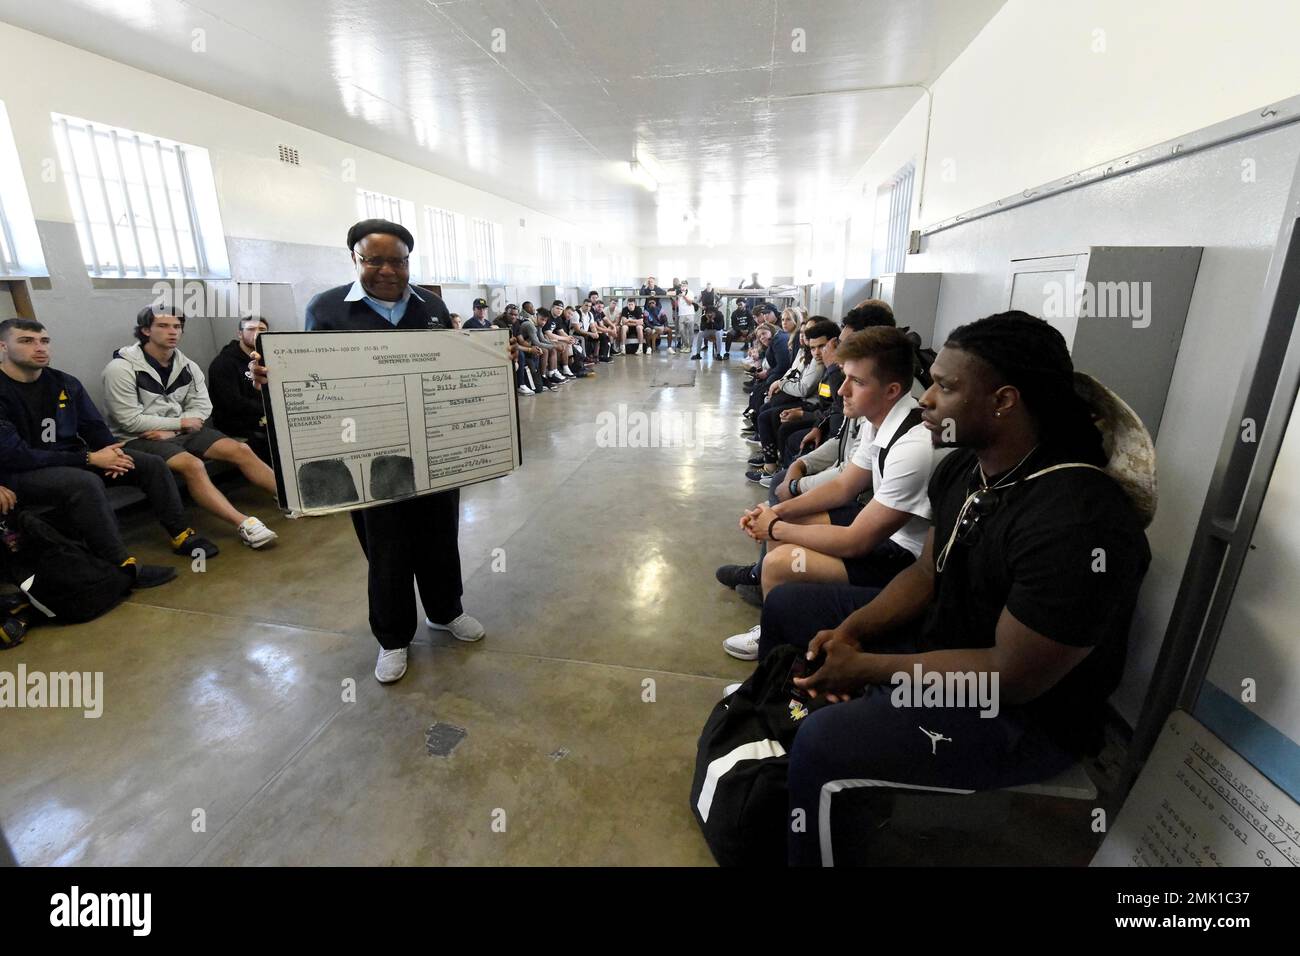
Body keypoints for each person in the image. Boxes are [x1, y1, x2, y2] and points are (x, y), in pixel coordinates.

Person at [766, 312, 1153, 865]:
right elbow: (927, 573)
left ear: (1004, 401)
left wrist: (868, 668)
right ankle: (792, 739)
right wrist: (851, 635)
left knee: (825, 745)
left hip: (1018, 717)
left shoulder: (1078, 521)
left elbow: (1011, 677)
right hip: (941, 643)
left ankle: (816, 779)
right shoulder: (966, 471)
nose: (927, 399)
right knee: (788, 606)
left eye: (946, 387)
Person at [254, 218, 485, 684]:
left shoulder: (431, 307)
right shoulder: (327, 309)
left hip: (431, 444)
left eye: (397, 260)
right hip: (364, 449)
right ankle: (394, 638)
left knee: (440, 534)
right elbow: (307, 376)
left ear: (408, 262)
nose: (387, 270)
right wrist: (272, 379)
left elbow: (451, 366)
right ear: (354, 259)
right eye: (373, 260)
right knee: (387, 546)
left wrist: (491, 366)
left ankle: (445, 611)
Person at [0, 318, 207, 588]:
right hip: (21, 472)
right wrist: (89, 458)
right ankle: (121, 565)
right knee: (85, 483)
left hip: (71, 458)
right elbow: (17, 455)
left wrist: (113, 453)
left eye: (44, 341)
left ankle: (181, 534)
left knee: (149, 464)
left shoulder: (64, 383)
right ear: (3, 346)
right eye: (26, 341)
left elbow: (94, 427)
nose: (39, 348)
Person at [103, 307, 279, 549]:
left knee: (240, 450)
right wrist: (180, 423)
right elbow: (129, 420)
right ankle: (245, 524)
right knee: (192, 465)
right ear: (145, 331)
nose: (172, 332)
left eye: (177, 326)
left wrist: (176, 428)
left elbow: (202, 406)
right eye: (163, 326)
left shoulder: (186, 365)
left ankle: (292, 498)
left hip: (181, 431)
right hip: (139, 438)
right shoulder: (120, 369)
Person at [207, 315, 272, 464]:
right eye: (251, 329)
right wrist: (269, 409)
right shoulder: (223, 363)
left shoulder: (269, 358)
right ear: (240, 334)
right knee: (271, 439)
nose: (257, 333)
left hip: (263, 416)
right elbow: (232, 403)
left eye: (262, 329)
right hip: (236, 423)